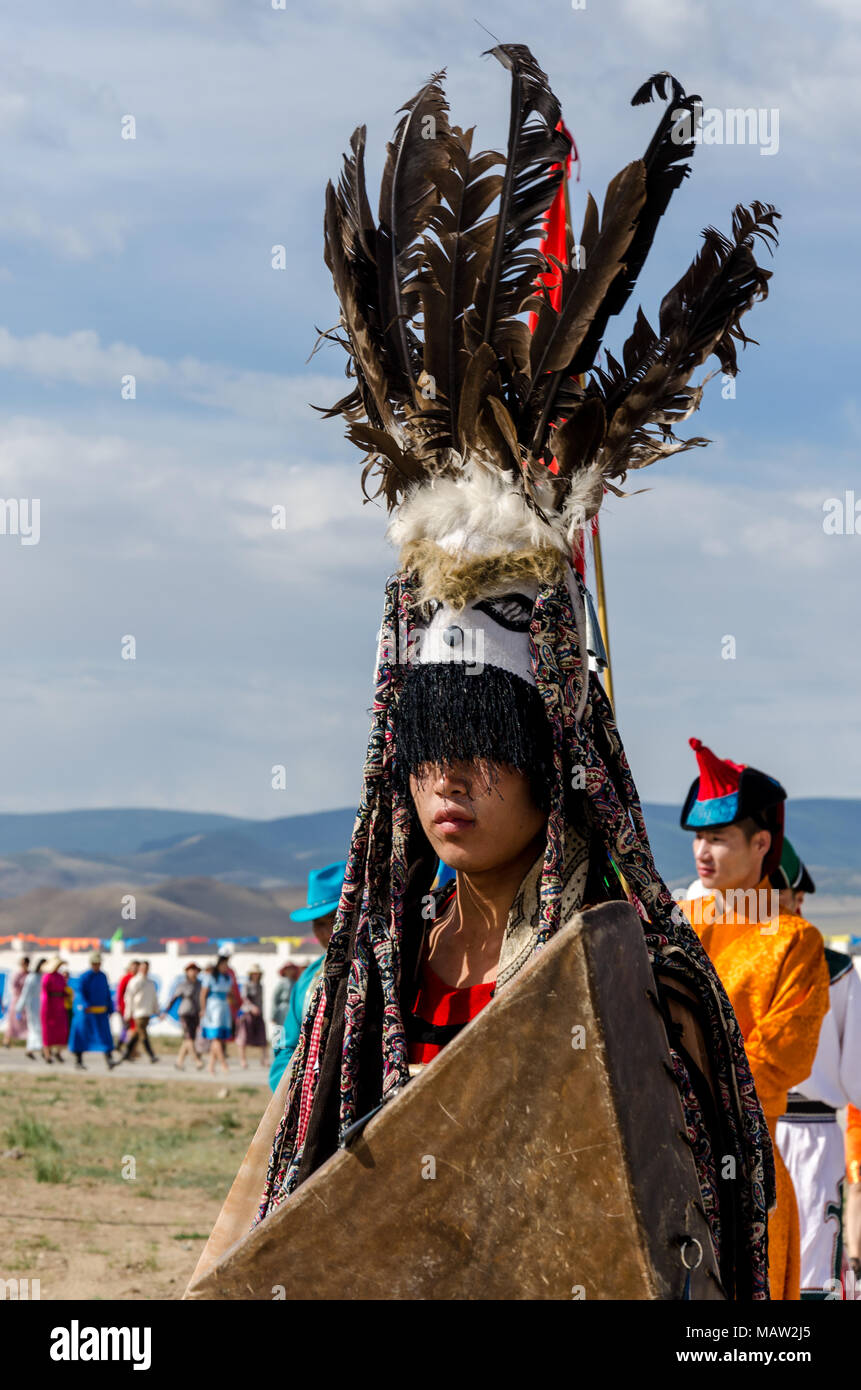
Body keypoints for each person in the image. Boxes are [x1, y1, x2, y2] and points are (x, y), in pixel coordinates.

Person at [204, 46, 783, 1301]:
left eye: (486, 738)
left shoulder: (641, 983)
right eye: (430, 740)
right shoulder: (365, 986)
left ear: (558, 747)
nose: (450, 778)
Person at [677, 741, 830, 1300]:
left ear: (761, 843)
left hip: (745, 1169)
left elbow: (778, 1058)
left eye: (718, 838)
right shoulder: (674, 929)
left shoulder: (795, 942)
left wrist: (680, 1082)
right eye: (698, 837)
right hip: (656, 1158)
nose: (702, 851)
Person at [771, 841, 861, 1298]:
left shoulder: (718, 953)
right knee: (812, 1262)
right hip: (809, 1136)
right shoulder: (836, 968)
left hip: (752, 1128)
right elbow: (858, 1078)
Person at [268, 864, 345, 1092]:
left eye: (334, 919)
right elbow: (287, 1047)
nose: (328, 931)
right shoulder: (307, 980)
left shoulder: (385, 972)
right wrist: (290, 1093)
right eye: (319, 924)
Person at [68, 952, 116, 1070]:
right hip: (88, 1013)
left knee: (105, 1037)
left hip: (101, 1013)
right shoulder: (84, 976)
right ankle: (78, 1061)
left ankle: (109, 1060)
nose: (97, 965)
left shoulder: (103, 976)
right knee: (81, 1036)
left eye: (99, 963)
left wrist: (110, 1008)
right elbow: (79, 992)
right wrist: (85, 1005)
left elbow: (106, 993)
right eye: (95, 963)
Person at [118, 961, 159, 1064]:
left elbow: (154, 997)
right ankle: (151, 1055)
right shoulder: (135, 981)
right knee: (142, 1033)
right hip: (138, 1012)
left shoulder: (150, 983)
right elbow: (129, 997)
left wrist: (156, 1010)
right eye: (143, 968)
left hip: (147, 1011)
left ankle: (126, 1052)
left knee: (137, 1033)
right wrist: (128, 1012)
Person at [165, 962, 203, 1071]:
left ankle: (179, 1062)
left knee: (189, 1038)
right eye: (191, 970)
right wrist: (166, 1011)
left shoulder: (200, 984)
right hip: (185, 1013)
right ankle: (196, 1060)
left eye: (195, 970)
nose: (193, 972)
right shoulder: (183, 985)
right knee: (189, 1037)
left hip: (195, 1013)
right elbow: (174, 998)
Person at [200, 955, 233, 1074]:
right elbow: (203, 994)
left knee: (219, 1037)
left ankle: (211, 1066)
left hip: (223, 1007)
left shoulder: (228, 978)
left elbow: (230, 994)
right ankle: (223, 1063)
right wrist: (203, 1009)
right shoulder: (210, 978)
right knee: (216, 1038)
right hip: (212, 1008)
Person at [236, 965, 267, 1069]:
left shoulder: (260, 986)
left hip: (258, 1013)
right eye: (254, 973)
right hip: (247, 1013)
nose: (255, 975)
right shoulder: (246, 985)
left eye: (257, 973)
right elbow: (244, 998)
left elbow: (261, 1000)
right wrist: (252, 1007)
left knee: (262, 1036)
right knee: (243, 1037)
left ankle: (264, 1058)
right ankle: (243, 1060)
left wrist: (260, 1011)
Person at [40, 957, 69, 1062]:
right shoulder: (47, 977)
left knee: (61, 1030)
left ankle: (58, 1052)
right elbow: (45, 992)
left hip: (59, 1006)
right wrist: (46, 1007)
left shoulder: (60, 977)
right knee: (48, 1031)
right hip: (49, 1006)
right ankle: (47, 1054)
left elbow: (64, 990)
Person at [19, 958, 46, 1061]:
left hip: (42, 1004)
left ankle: (33, 1049)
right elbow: (25, 992)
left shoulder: (43, 977)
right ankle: (39, 1048)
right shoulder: (32, 977)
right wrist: (20, 1007)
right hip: (33, 1005)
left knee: (39, 1027)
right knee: (34, 1027)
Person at [2, 955, 29, 1047]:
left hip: (26, 1000)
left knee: (26, 1020)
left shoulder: (29, 975)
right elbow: (13, 987)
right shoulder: (17, 974)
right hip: (17, 999)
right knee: (12, 1020)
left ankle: (27, 1040)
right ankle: (7, 1040)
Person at [115, 959, 140, 1048]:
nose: (135, 969)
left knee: (131, 1028)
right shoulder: (126, 978)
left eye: (137, 967)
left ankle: (123, 1047)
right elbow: (120, 993)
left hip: (135, 1008)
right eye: (133, 967)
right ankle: (122, 1046)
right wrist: (119, 1005)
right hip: (124, 1007)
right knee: (127, 1027)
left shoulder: (138, 979)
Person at [270, 962, 299, 1032]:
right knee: (280, 1028)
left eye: (291, 969)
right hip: (282, 1008)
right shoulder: (281, 983)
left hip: (292, 1008)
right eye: (288, 969)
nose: (290, 971)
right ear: (284, 971)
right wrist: (273, 1014)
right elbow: (274, 999)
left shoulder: (296, 983)